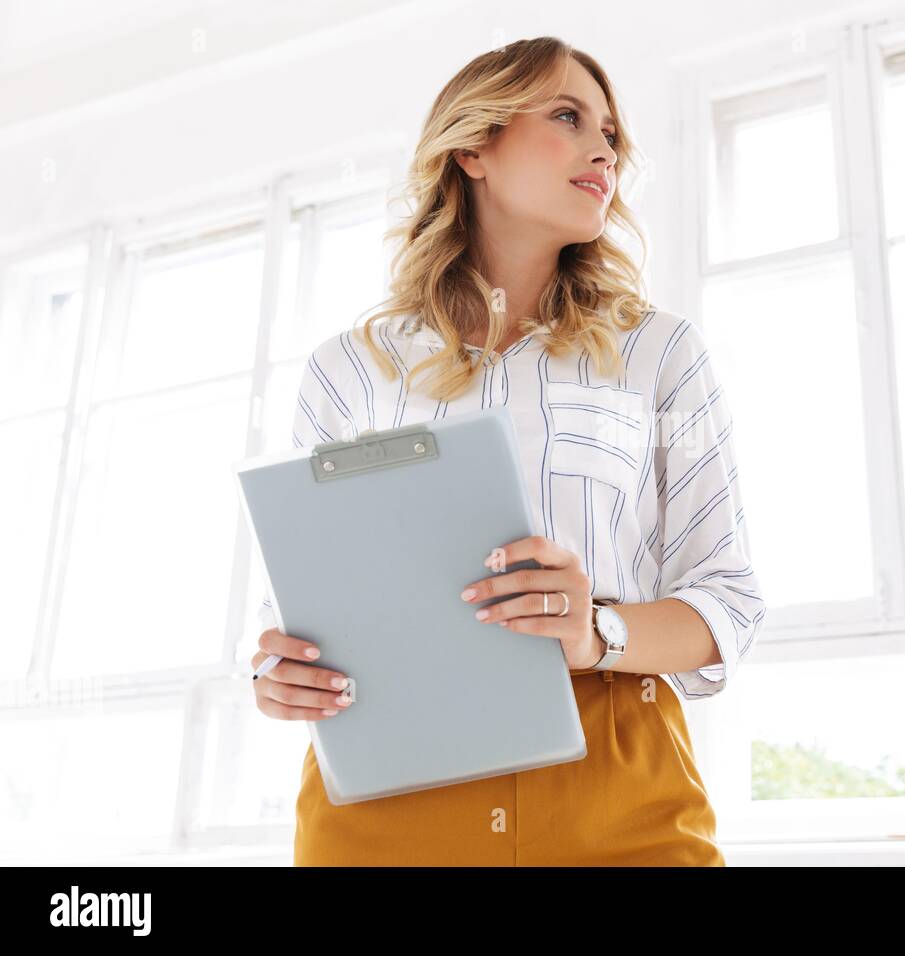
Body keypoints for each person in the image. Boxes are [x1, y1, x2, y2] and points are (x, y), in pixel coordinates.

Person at [249, 36, 765, 866]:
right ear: (474, 146)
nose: (603, 149)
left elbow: (728, 605)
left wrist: (594, 630)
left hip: (618, 786)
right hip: (386, 782)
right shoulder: (348, 370)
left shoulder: (660, 351)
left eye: (612, 136)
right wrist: (279, 673)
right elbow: (296, 607)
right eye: (569, 117)